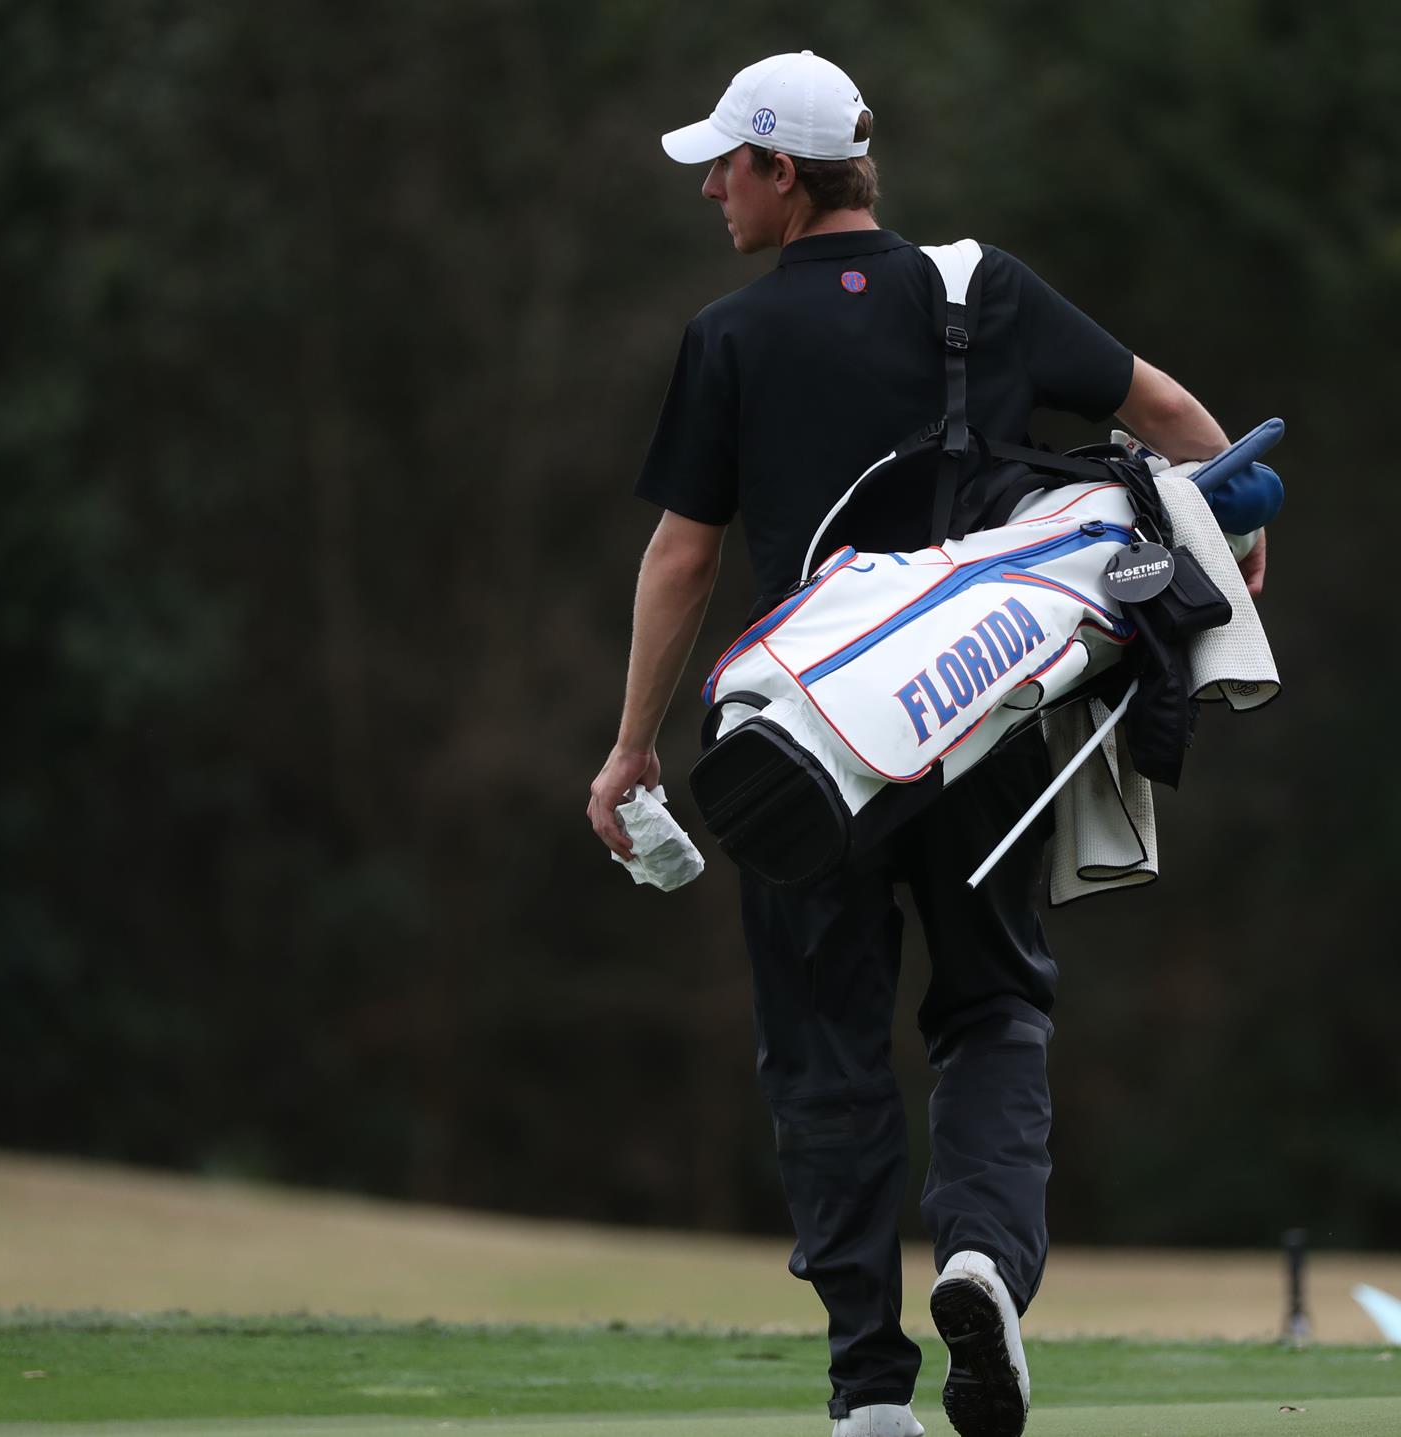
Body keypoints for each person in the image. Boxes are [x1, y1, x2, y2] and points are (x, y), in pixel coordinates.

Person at [587, 50, 1255, 1437]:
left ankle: (866, 1391)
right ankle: (981, 1258)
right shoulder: (982, 291)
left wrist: (631, 748)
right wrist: (1240, 570)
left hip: (804, 748)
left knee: (824, 1052)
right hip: (985, 719)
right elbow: (1187, 427)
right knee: (993, 1008)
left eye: (727, 162)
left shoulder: (730, 336)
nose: (712, 187)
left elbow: (680, 560)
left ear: (784, 168)